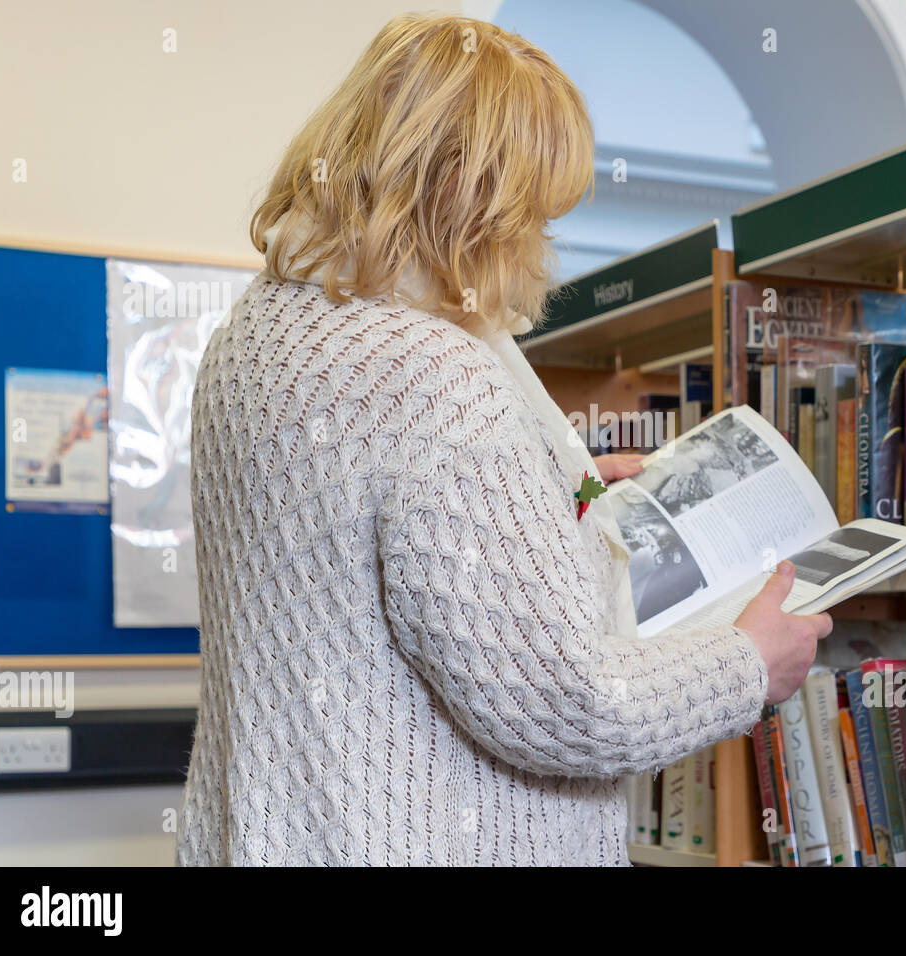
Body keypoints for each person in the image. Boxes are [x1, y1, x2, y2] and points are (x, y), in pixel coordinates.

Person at [176, 13, 828, 867]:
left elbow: (364, 564)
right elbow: (564, 702)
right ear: (471, 200)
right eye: (535, 217)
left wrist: (545, 492)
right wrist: (747, 666)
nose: (539, 249)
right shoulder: (431, 375)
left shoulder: (253, 336)